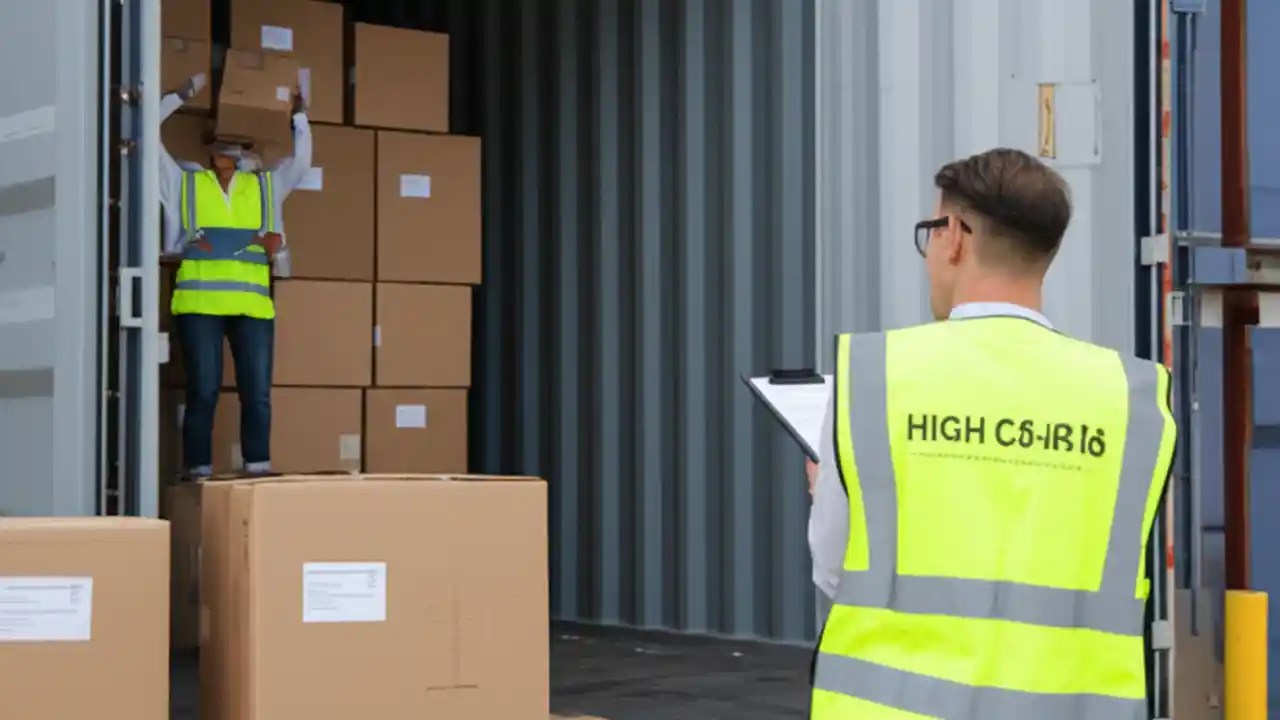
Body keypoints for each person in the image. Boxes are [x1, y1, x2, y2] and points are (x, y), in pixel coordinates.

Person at [807, 148, 1175, 719]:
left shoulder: (876, 376)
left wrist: (826, 489)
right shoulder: (1130, 396)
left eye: (931, 231)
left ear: (953, 236)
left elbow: (835, 570)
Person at [159, 73, 313, 480]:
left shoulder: (266, 186)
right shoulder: (184, 184)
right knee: (203, 393)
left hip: (251, 307)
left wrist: (299, 116)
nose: (230, 150)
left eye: (237, 145)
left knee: (257, 396)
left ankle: (257, 468)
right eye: (221, 144)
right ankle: (198, 473)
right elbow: (146, 137)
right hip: (200, 307)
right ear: (210, 152)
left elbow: (301, 162)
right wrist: (177, 96)